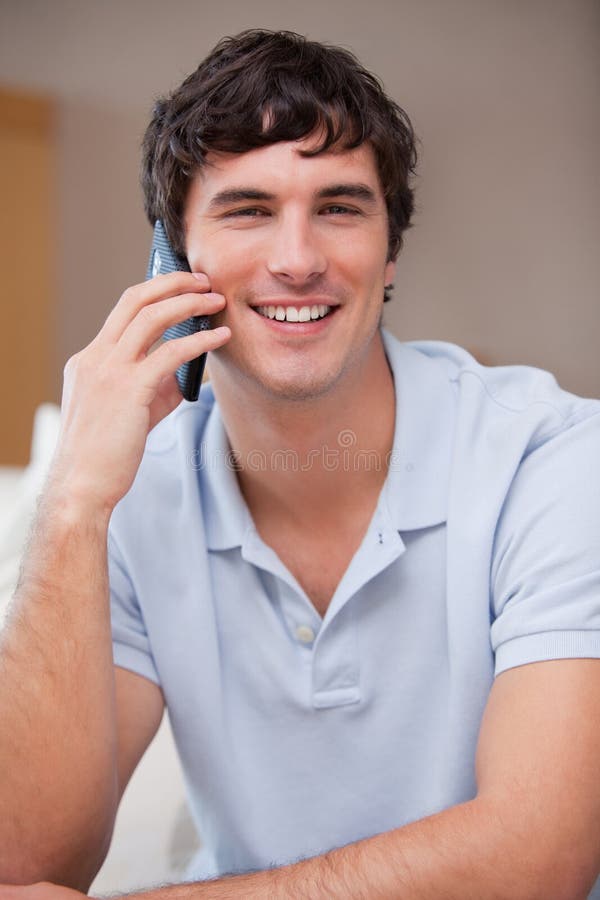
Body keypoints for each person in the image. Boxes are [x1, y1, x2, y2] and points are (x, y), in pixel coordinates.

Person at [1, 28, 600, 900]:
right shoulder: (133, 489)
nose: (297, 260)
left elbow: (539, 859)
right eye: (247, 210)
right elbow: (25, 865)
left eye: (340, 207)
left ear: (390, 251)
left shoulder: (555, 457)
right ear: (172, 259)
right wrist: (72, 502)